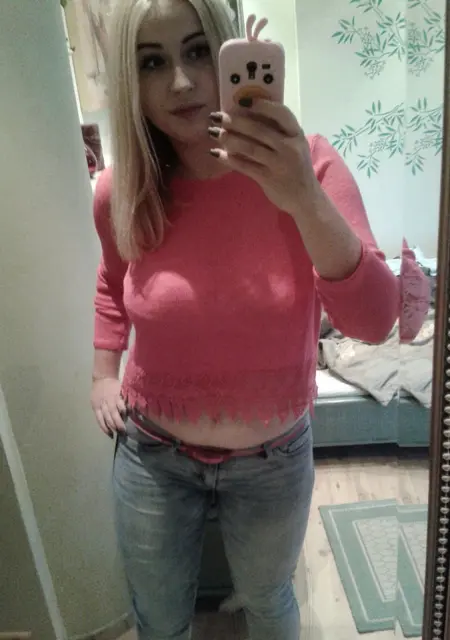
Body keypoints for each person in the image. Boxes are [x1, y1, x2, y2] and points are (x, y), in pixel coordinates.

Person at [90, 0, 401, 638]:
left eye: (198, 50)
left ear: (231, 49)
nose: (181, 81)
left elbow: (375, 321)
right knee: (159, 619)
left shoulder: (310, 163)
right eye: (152, 62)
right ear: (131, 82)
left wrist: (303, 197)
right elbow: (111, 283)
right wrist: (101, 373)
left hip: (273, 458)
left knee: (267, 602)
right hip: (152, 455)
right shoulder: (122, 190)